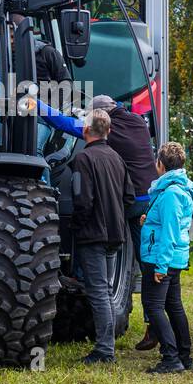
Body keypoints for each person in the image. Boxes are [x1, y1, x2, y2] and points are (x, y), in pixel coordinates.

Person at [36, 94, 160, 348]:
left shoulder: (106, 132)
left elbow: (63, 123)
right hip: (151, 198)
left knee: (93, 239)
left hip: (130, 200)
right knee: (148, 263)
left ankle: (83, 283)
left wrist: (33, 103)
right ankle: (154, 324)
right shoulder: (137, 122)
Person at [70, 109, 136, 364]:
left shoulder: (83, 160)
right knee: (106, 291)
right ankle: (106, 346)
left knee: (98, 292)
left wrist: (77, 226)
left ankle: (105, 350)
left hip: (92, 234)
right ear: (108, 131)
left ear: (85, 131)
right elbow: (129, 197)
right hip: (115, 234)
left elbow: (82, 201)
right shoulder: (118, 159)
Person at [138, 141, 193, 374]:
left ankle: (171, 358)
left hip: (162, 258)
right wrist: (148, 221)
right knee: (174, 307)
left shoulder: (171, 193)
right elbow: (172, 222)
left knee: (153, 307)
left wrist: (160, 266)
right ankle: (184, 356)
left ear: (160, 164)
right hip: (175, 257)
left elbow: (171, 231)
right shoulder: (178, 188)